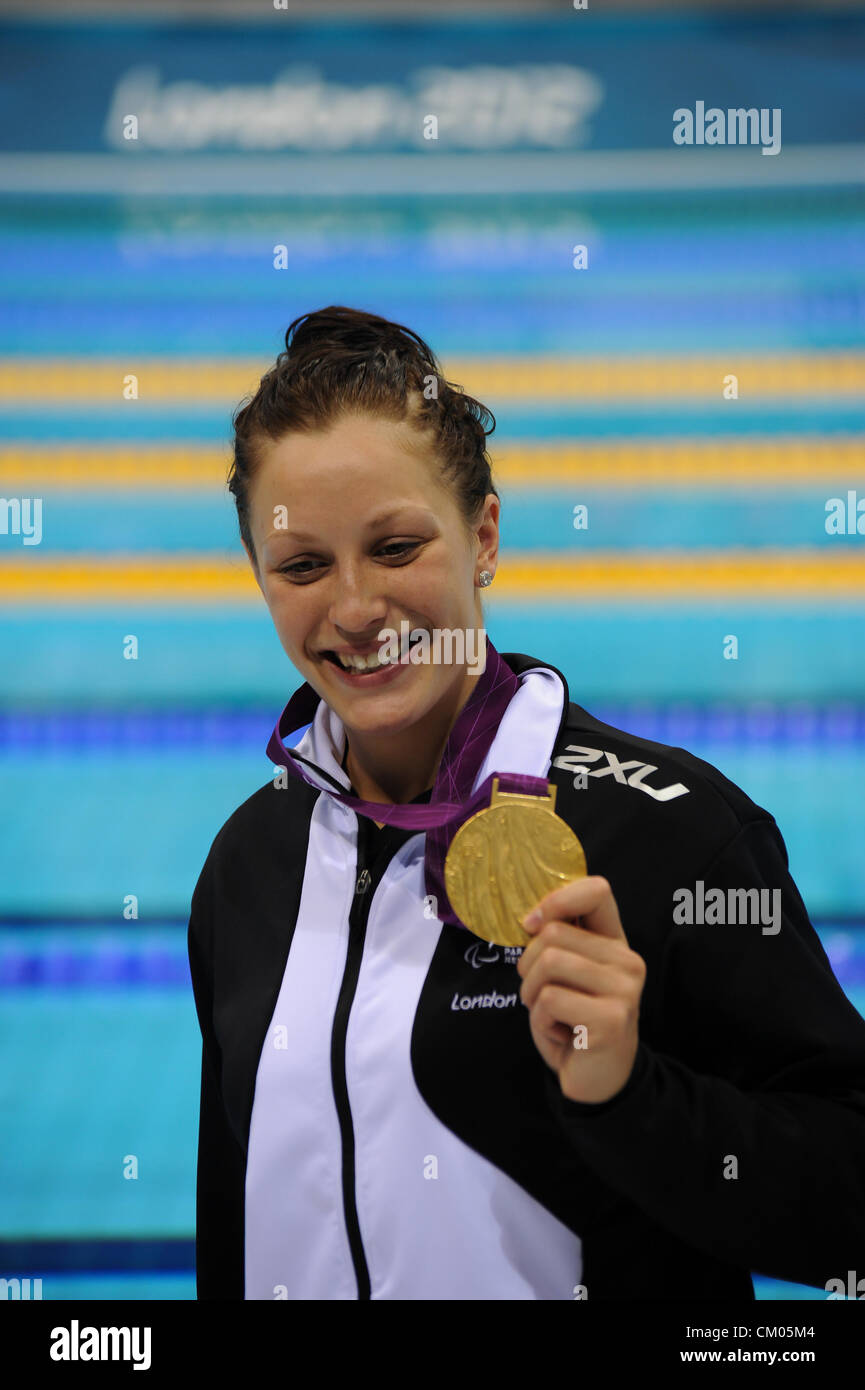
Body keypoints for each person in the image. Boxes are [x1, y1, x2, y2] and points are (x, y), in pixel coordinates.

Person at [188, 304, 865, 1301]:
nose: (355, 608)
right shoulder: (250, 862)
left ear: (484, 535)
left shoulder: (667, 830)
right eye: (301, 565)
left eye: (394, 546)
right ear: (259, 575)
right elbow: (236, 1228)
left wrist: (630, 1094)